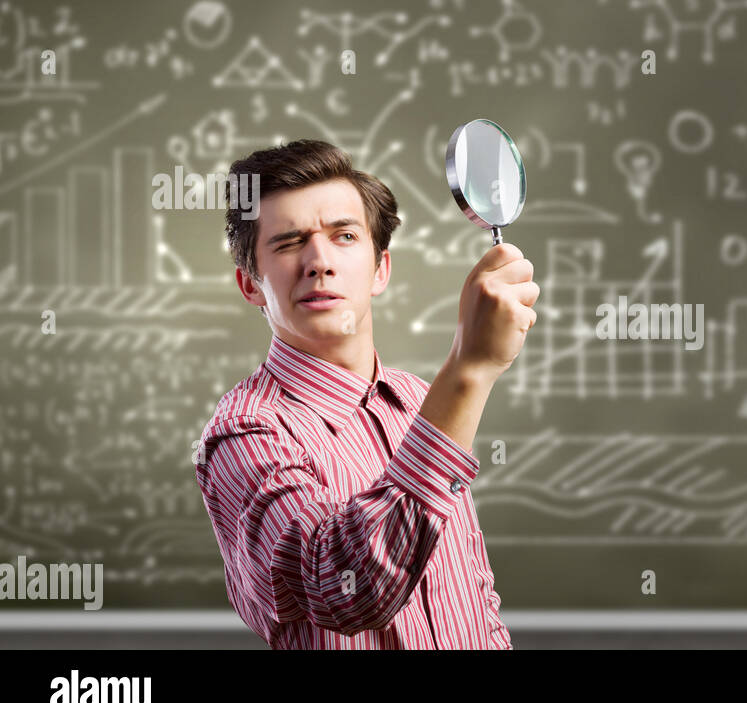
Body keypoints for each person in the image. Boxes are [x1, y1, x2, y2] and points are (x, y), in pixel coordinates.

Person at [194, 139, 537, 649]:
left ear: (381, 270)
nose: (318, 261)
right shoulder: (244, 432)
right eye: (288, 243)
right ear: (250, 285)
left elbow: (473, 593)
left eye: (345, 235)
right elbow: (344, 585)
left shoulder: (420, 400)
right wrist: (469, 370)